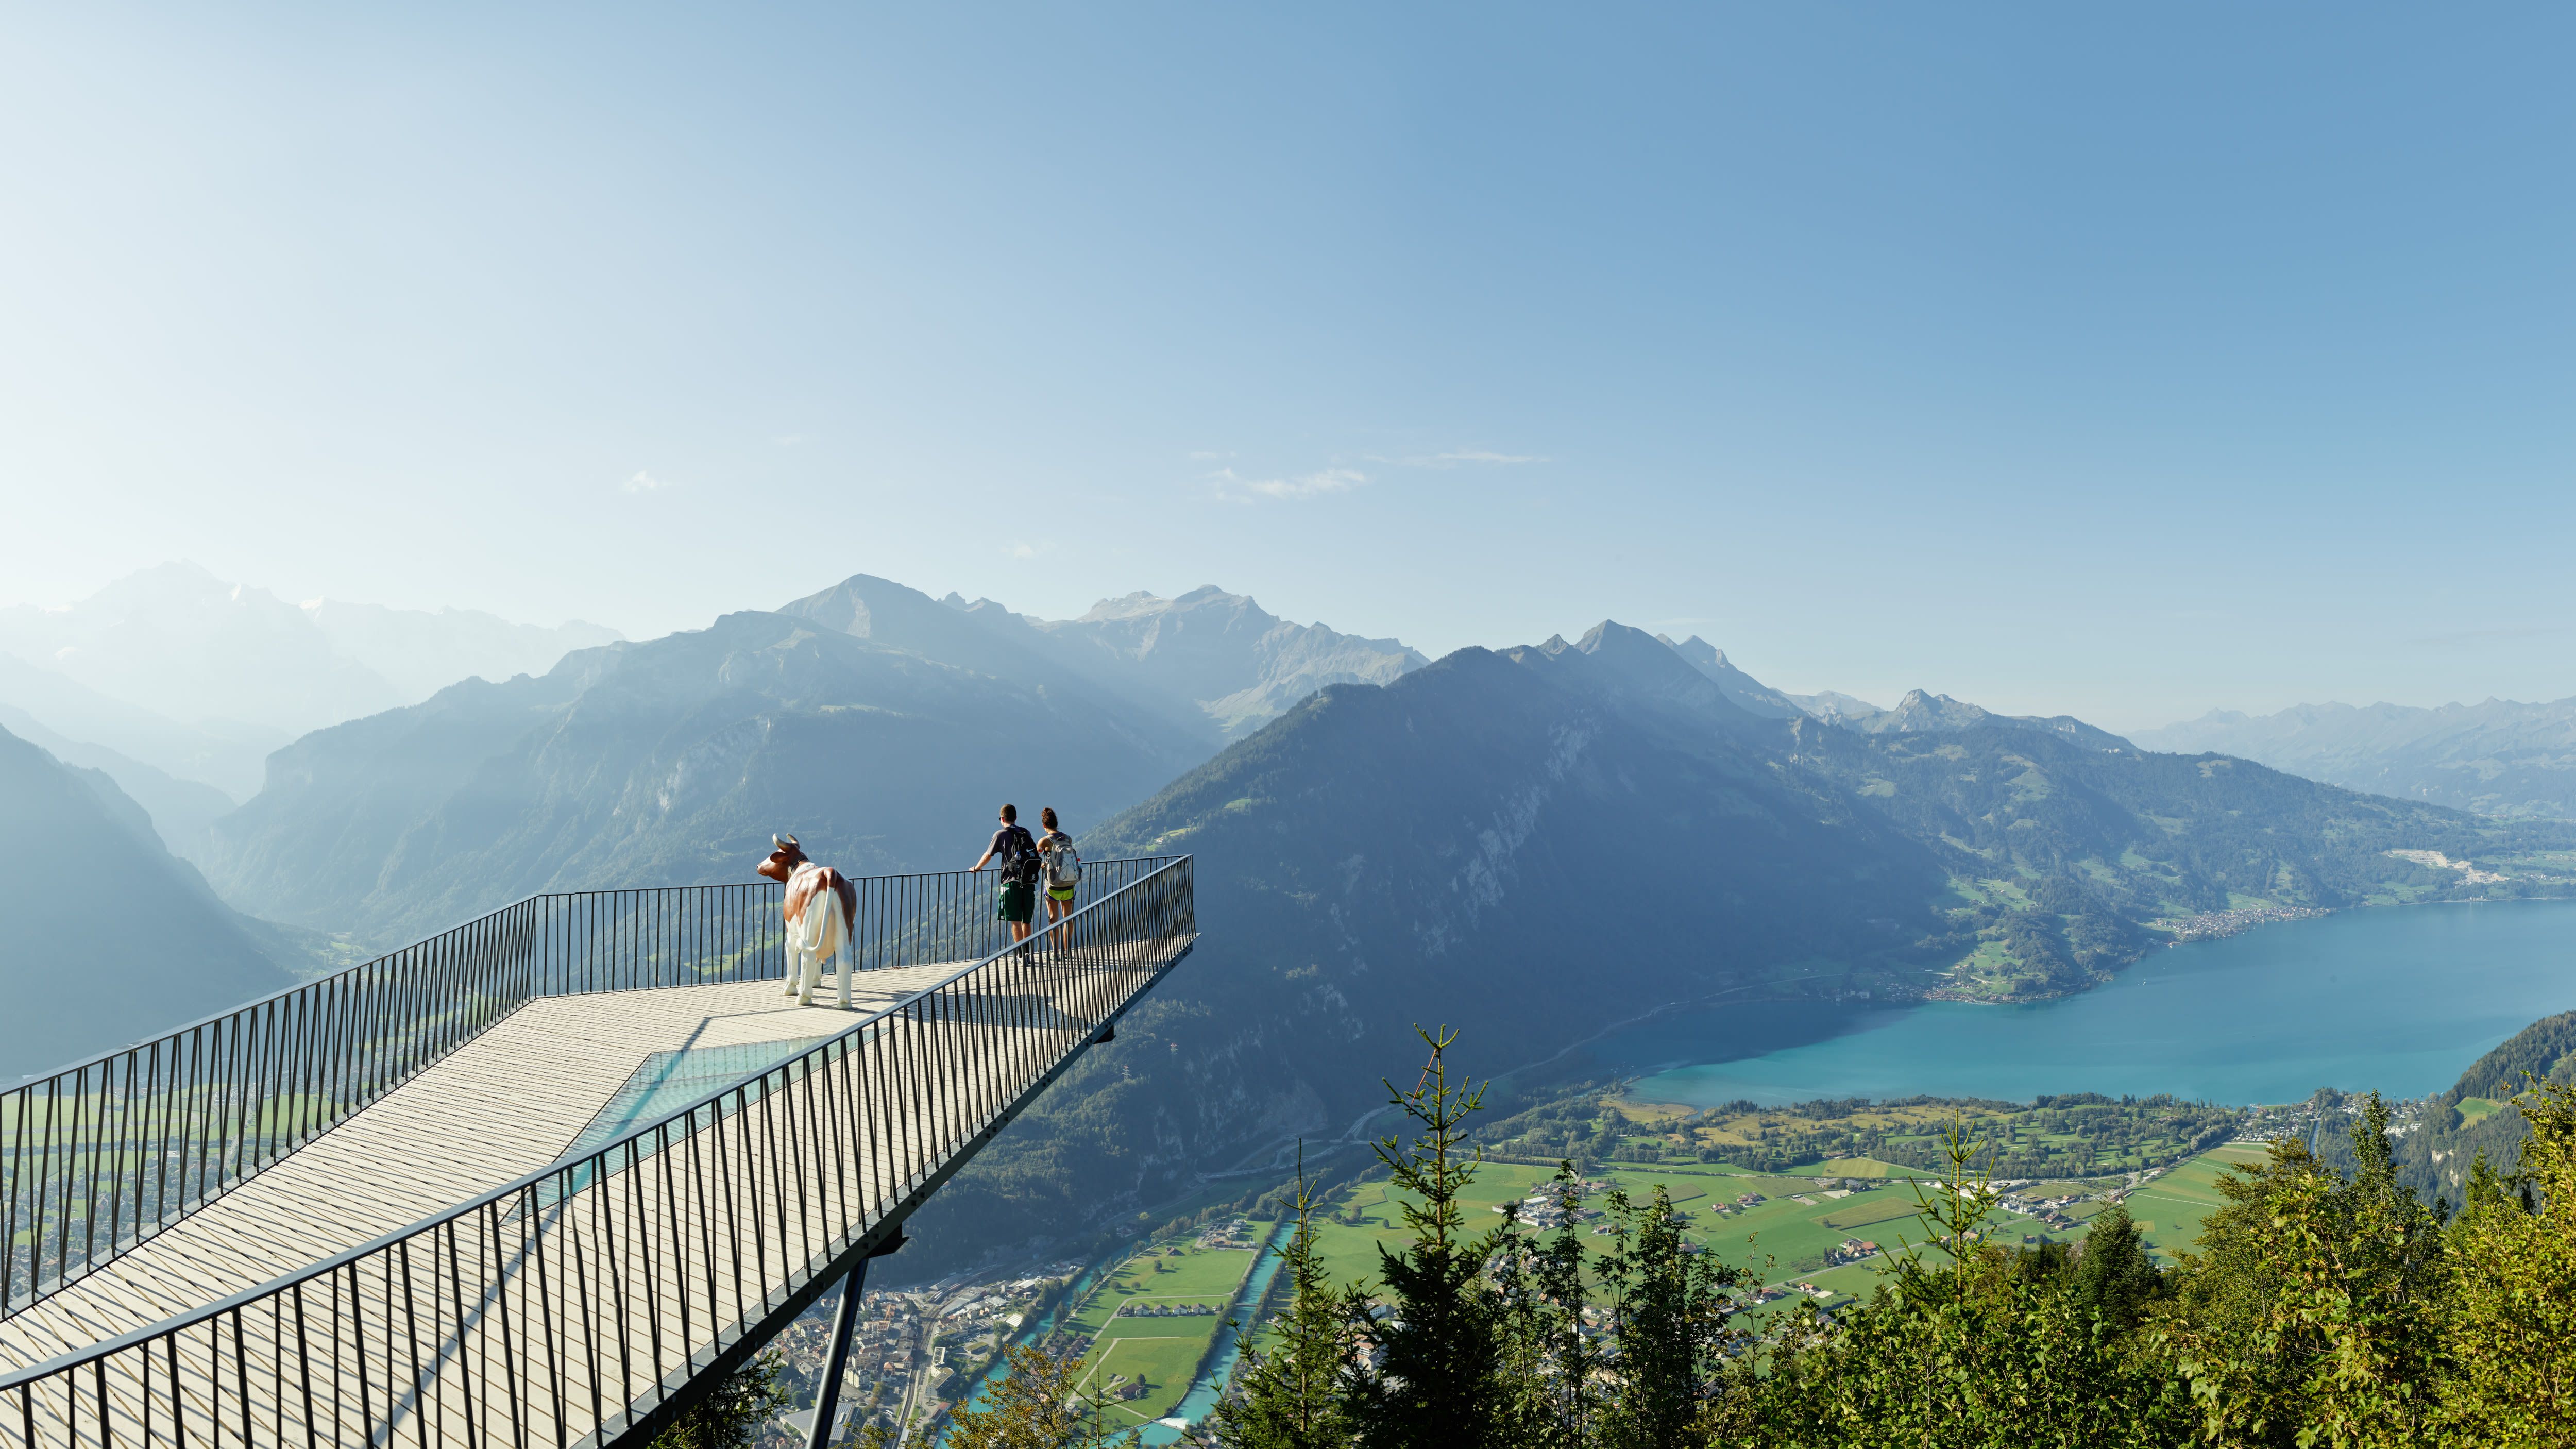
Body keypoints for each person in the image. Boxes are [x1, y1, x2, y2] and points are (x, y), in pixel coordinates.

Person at [971, 803, 1041, 946]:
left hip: (1010, 882)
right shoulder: (1026, 832)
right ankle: (1027, 952)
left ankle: (1021, 955)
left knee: (1015, 920)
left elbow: (987, 856)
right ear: (1016, 818)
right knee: (1026, 921)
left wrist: (977, 868)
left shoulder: (1000, 835)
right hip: (1028, 881)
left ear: (1002, 819)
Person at [1035, 807, 1082, 950]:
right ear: (1056, 823)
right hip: (1069, 883)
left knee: (1053, 919)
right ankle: (1067, 951)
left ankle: (1055, 951)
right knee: (1068, 918)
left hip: (1053, 886)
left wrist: (1043, 865)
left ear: (1044, 826)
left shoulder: (1044, 842)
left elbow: (1036, 859)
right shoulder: (1068, 838)